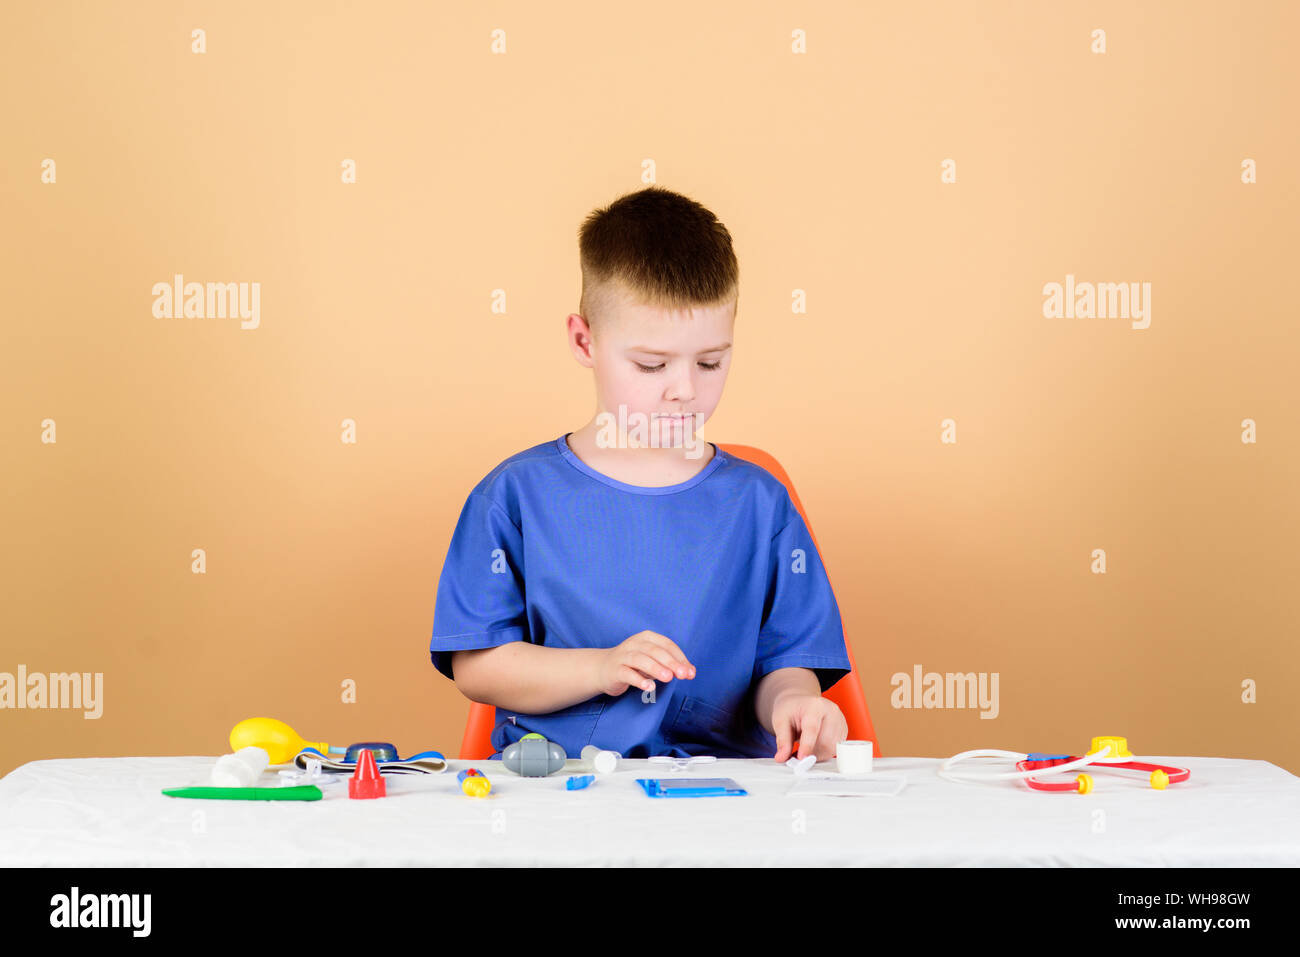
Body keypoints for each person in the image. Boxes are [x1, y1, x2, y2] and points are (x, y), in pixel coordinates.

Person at [429, 185, 851, 762]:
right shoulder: (515, 496)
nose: (685, 389)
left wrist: (792, 706)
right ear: (585, 341)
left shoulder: (761, 506)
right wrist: (600, 668)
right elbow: (477, 665)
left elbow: (786, 667)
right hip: (561, 792)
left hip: (726, 797)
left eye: (711, 361)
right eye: (651, 364)